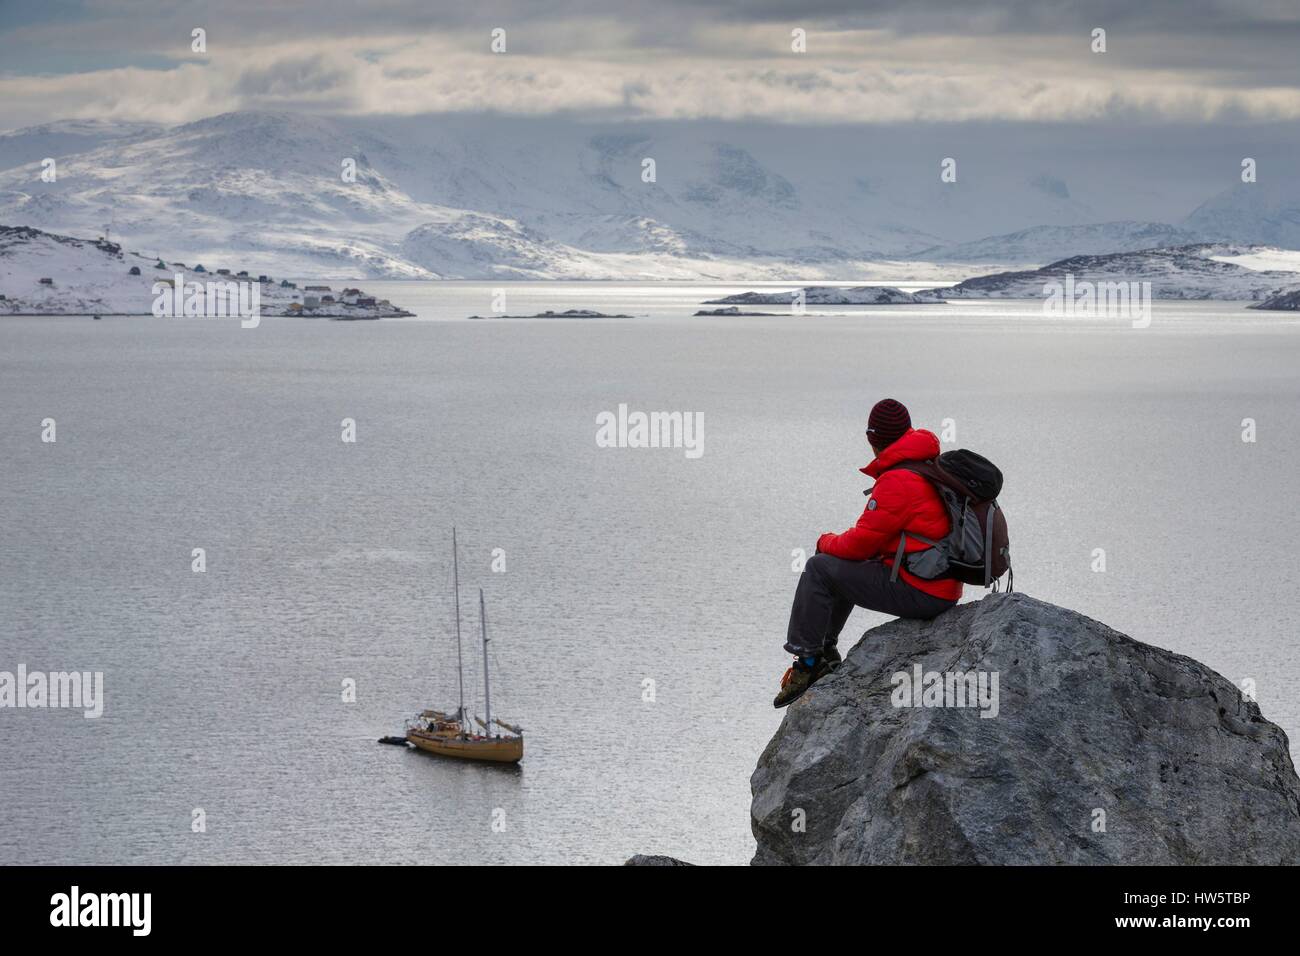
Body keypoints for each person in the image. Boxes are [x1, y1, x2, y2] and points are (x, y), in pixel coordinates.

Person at [774, 398, 960, 708]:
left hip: (924, 592)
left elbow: (859, 545)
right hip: (940, 583)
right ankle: (823, 650)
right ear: (906, 430)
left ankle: (807, 663)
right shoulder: (925, 462)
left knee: (819, 568)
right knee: (839, 566)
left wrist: (824, 541)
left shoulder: (898, 479)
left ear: (872, 439)